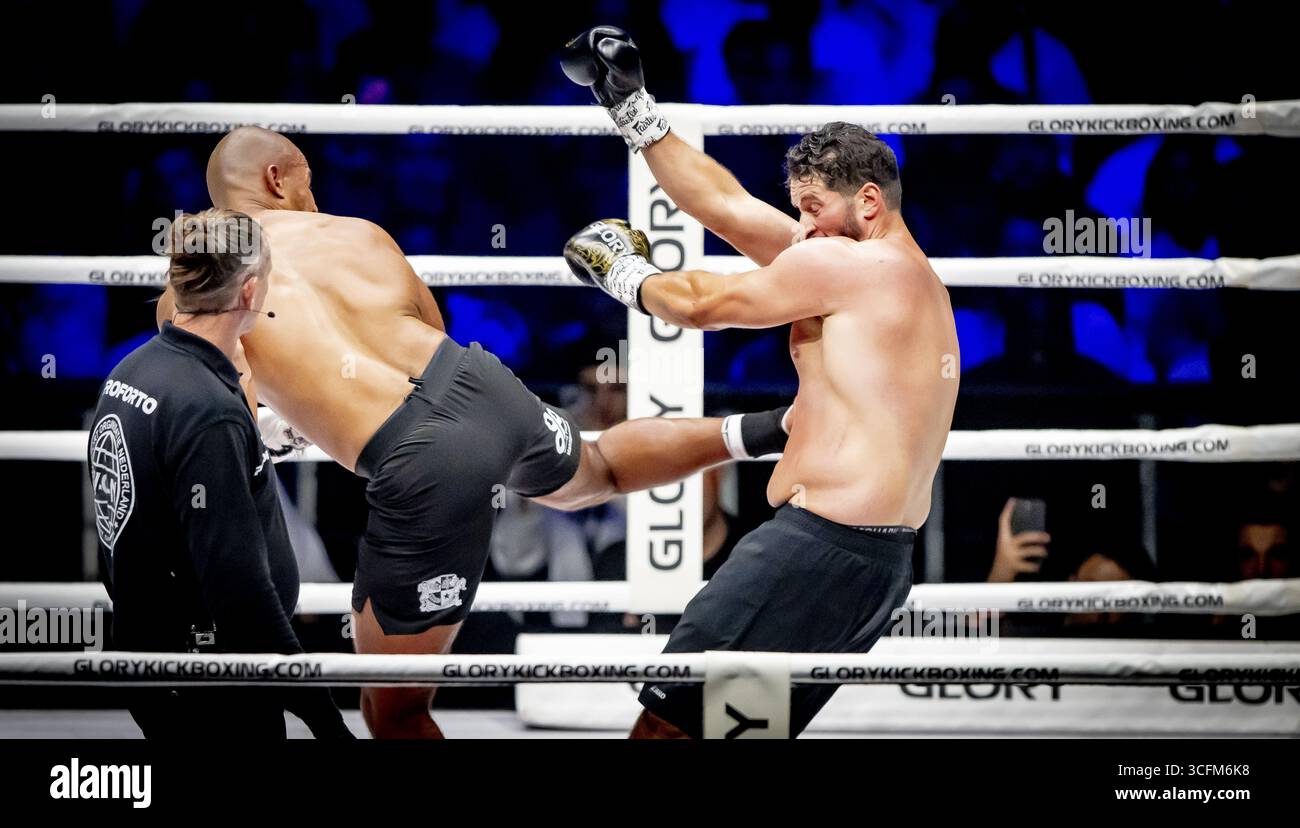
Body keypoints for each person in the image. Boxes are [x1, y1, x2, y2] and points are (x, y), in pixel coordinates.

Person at [156, 126, 792, 738]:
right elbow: (428, 325)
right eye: (307, 182)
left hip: (416, 457)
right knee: (599, 472)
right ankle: (773, 427)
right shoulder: (359, 235)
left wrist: (283, 425)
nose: (314, 198)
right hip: (475, 381)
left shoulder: (196, 288)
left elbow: (227, 413)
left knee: (391, 712)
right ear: (276, 178)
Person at [562, 25, 960, 738]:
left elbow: (704, 306)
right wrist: (633, 110)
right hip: (873, 564)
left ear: (867, 202)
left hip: (813, 551)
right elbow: (728, 207)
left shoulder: (843, 268)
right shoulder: (902, 277)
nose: (800, 227)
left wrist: (620, 271)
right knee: (725, 734)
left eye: (812, 209)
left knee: (666, 729)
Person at [89, 209, 350, 739]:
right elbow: (243, 594)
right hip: (213, 676)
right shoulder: (207, 408)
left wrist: (250, 445)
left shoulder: (132, 372)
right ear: (250, 292)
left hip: (162, 657)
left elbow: (141, 510)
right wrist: (328, 722)